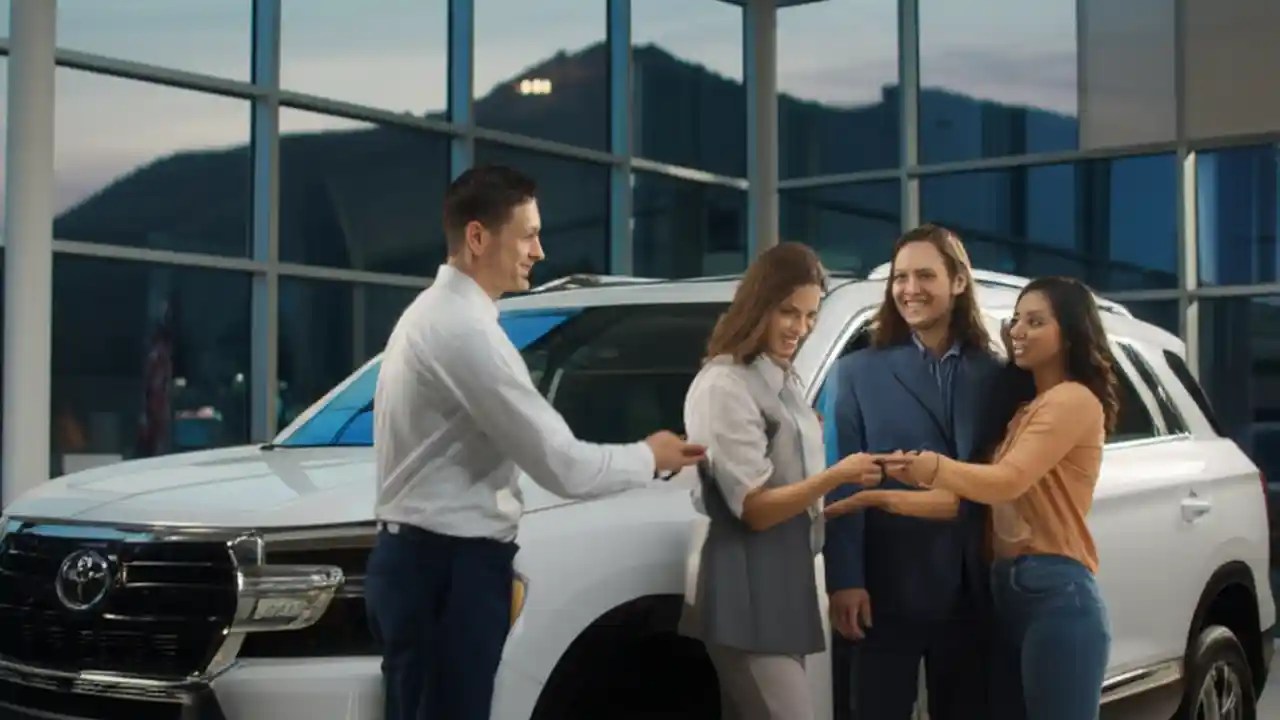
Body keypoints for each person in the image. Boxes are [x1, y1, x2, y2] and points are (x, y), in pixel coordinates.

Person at [365, 164, 706, 720]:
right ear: (478, 237)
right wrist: (653, 455)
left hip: (422, 562)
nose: (540, 251)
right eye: (528, 234)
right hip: (448, 568)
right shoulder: (465, 332)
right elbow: (563, 466)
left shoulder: (432, 317)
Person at [829, 276, 1118, 720]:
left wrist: (932, 466)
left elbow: (1005, 481)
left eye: (1036, 322)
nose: (1019, 330)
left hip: (1056, 590)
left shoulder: (1073, 401)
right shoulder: (1025, 407)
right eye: (1017, 320)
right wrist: (876, 499)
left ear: (1072, 333)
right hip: (1006, 590)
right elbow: (964, 501)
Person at [822, 224, 1024, 720]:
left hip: (977, 588)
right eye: (900, 277)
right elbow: (842, 480)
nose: (910, 289)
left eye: (925, 275)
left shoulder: (997, 374)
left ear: (958, 282)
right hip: (887, 586)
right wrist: (844, 579)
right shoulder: (856, 374)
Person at [679, 242, 884, 720]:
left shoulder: (782, 380)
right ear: (759, 306)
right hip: (744, 587)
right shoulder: (725, 384)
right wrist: (838, 474)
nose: (801, 327)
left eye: (810, 315)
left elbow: (790, 491)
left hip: (784, 581)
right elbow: (753, 507)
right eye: (788, 312)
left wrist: (849, 500)